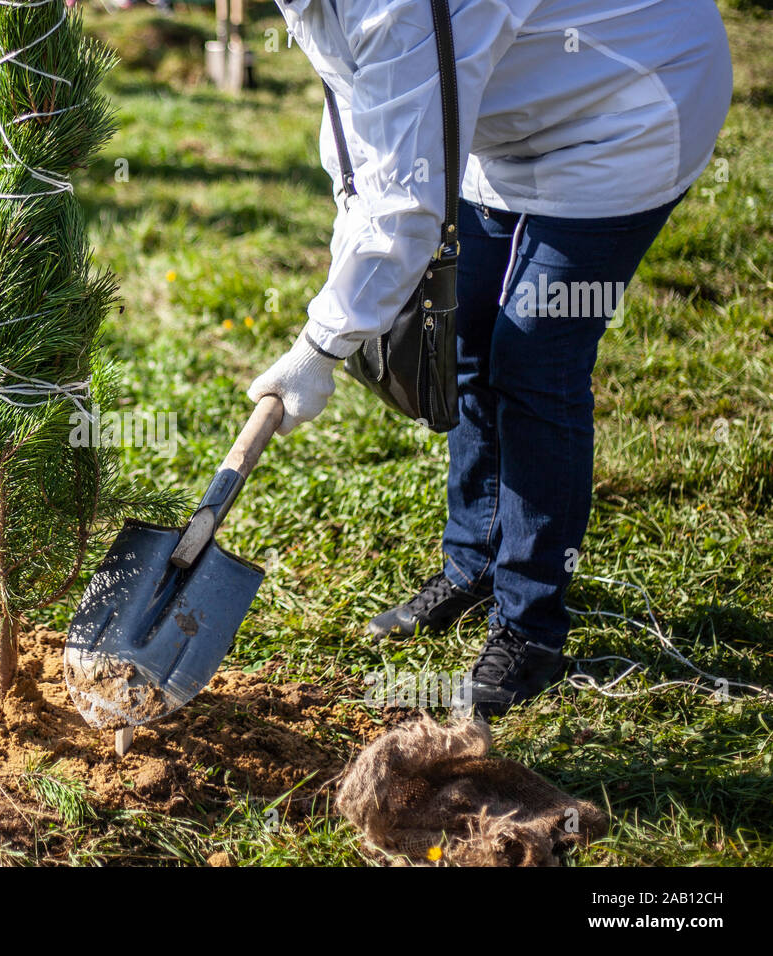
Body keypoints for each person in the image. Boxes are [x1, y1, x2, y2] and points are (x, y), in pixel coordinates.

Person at [248, 0, 732, 716]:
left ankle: (530, 626)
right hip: (504, 120)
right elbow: (368, 139)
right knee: (467, 332)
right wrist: (346, 271)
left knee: (535, 360)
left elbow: (406, 205)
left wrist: (320, 346)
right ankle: (474, 565)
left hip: (630, 105)